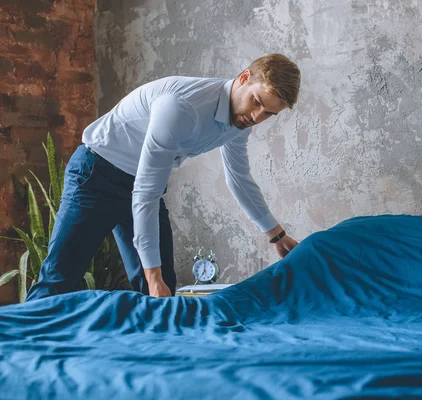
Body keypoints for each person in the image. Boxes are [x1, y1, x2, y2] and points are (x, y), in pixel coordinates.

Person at [26, 53, 301, 300]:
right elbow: (145, 193)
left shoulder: (240, 121)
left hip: (139, 182)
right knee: (59, 280)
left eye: (268, 114)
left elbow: (239, 178)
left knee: (162, 291)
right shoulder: (181, 107)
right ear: (243, 78)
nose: (256, 116)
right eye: (256, 102)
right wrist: (152, 278)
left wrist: (277, 236)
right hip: (96, 173)